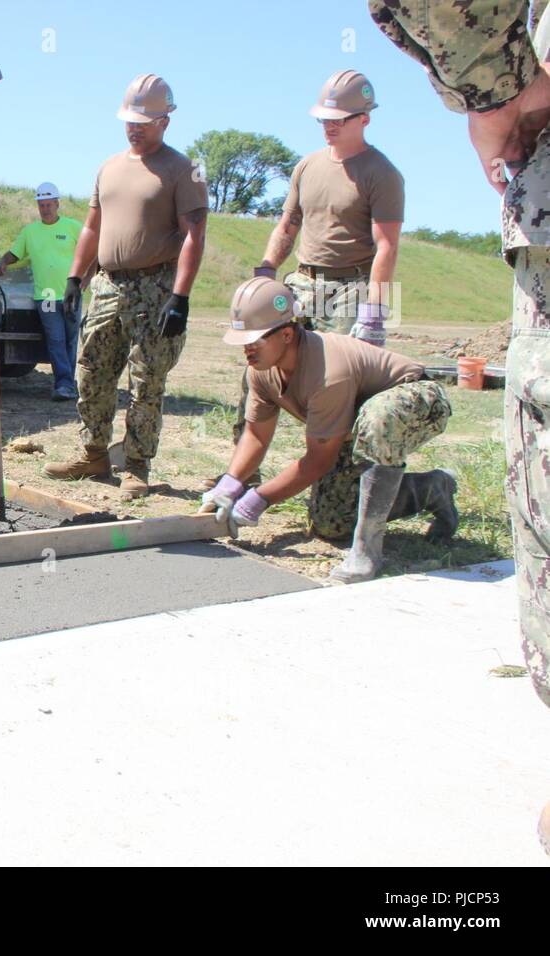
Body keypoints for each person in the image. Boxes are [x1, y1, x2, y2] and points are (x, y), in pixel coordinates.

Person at [369, 0, 550, 854]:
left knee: (354, 463)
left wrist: (499, 92)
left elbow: (326, 441)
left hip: (407, 402)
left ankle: (421, 495)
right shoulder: (274, 375)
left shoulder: (324, 370)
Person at [200, 70, 405, 492]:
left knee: (342, 390)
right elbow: (288, 223)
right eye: (324, 119)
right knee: (258, 368)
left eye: (339, 119)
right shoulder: (307, 166)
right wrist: (266, 269)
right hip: (301, 284)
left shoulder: (382, 173)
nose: (329, 125)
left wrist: (374, 314)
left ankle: (337, 489)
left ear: (364, 118)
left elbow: (386, 247)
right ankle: (240, 475)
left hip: (351, 289)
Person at [202, 276, 458, 584]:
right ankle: (432, 490)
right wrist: (230, 486)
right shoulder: (261, 372)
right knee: (332, 521)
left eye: (254, 340)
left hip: (416, 400)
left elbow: (319, 460)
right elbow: (256, 435)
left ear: (285, 334)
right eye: (242, 341)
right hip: (353, 427)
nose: (247, 349)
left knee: (378, 419)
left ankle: (367, 551)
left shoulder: (327, 372)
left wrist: (259, 499)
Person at [44, 74, 208, 500]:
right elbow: (92, 228)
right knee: (92, 372)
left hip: (155, 287)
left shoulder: (183, 170)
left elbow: (194, 235)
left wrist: (181, 297)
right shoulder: (110, 167)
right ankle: (94, 452)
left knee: (146, 380)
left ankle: (136, 465)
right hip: (107, 286)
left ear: (165, 120)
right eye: (129, 120)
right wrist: (75, 279)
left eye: (144, 121)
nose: (134, 128)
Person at [0, 182, 82, 400]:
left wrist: (85, 281)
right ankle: (63, 385)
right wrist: (4, 261)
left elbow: (88, 254)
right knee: (55, 340)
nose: (45, 209)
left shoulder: (73, 227)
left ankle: (68, 383)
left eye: (48, 204)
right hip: (46, 297)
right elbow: (16, 253)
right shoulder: (30, 232)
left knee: (71, 339)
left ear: (57, 203)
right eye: (41, 205)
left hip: (71, 295)